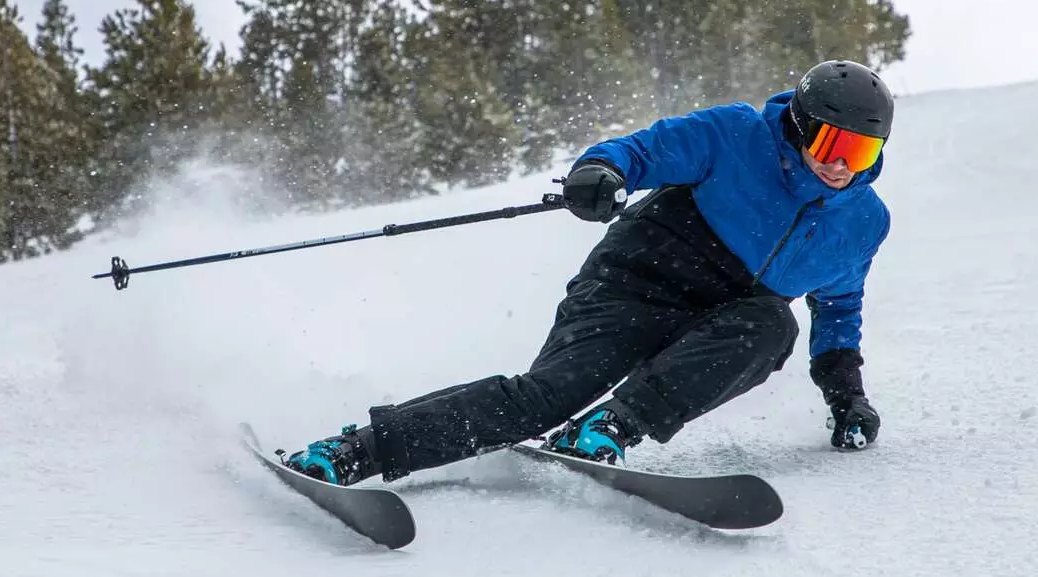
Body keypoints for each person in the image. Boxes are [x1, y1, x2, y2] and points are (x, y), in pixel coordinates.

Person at [280, 59, 895, 486]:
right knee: (545, 397)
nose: (841, 166)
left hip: (721, 318)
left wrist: (849, 398)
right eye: (831, 146)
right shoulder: (736, 134)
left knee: (771, 325)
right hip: (639, 279)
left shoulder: (861, 221)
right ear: (801, 124)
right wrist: (601, 172)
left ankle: (609, 428)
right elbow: (642, 150)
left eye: (861, 153)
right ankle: (353, 451)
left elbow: (839, 309)